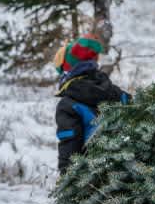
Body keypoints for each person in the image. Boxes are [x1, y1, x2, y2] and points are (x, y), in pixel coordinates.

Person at [54, 34, 129, 172]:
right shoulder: (115, 92)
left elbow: (70, 146)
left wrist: (67, 178)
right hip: (126, 167)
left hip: (92, 176)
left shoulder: (68, 105)